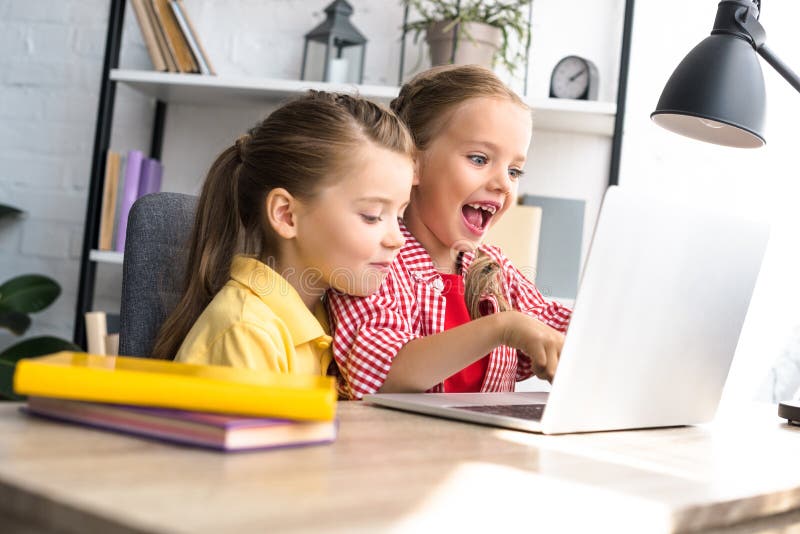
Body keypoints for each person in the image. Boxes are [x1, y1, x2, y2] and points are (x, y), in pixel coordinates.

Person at [328, 65, 572, 399]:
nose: (503, 184)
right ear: (414, 163)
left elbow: (553, 326)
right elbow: (381, 374)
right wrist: (503, 327)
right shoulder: (374, 261)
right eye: (479, 158)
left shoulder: (492, 270)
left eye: (514, 170)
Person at [150, 91, 414, 377]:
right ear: (286, 215)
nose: (397, 239)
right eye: (372, 216)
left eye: (399, 216)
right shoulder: (246, 334)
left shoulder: (325, 317)